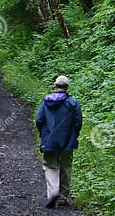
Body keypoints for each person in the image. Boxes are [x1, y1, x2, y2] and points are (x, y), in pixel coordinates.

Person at [35, 74, 82, 208]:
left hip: (49, 140)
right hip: (67, 141)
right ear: (67, 87)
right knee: (66, 168)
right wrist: (74, 135)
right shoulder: (73, 103)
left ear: (55, 85)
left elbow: (39, 120)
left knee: (51, 166)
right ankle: (62, 196)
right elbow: (78, 122)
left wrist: (43, 134)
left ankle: (53, 193)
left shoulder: (46, 101)